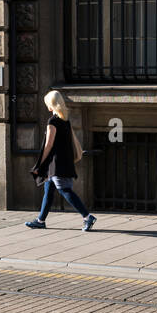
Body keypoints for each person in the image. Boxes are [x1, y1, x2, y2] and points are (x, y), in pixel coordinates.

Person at [26, 90, 97, 232]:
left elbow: (49, 144)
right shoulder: (64, 120)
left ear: (51, 104)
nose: (46, 106)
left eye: (47, 103)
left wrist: (40, 162)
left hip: (56, 163)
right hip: (62, 161)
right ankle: (40, 220)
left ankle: (87, 216)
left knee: (65, 190)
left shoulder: (52, 121)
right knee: (48, 190)